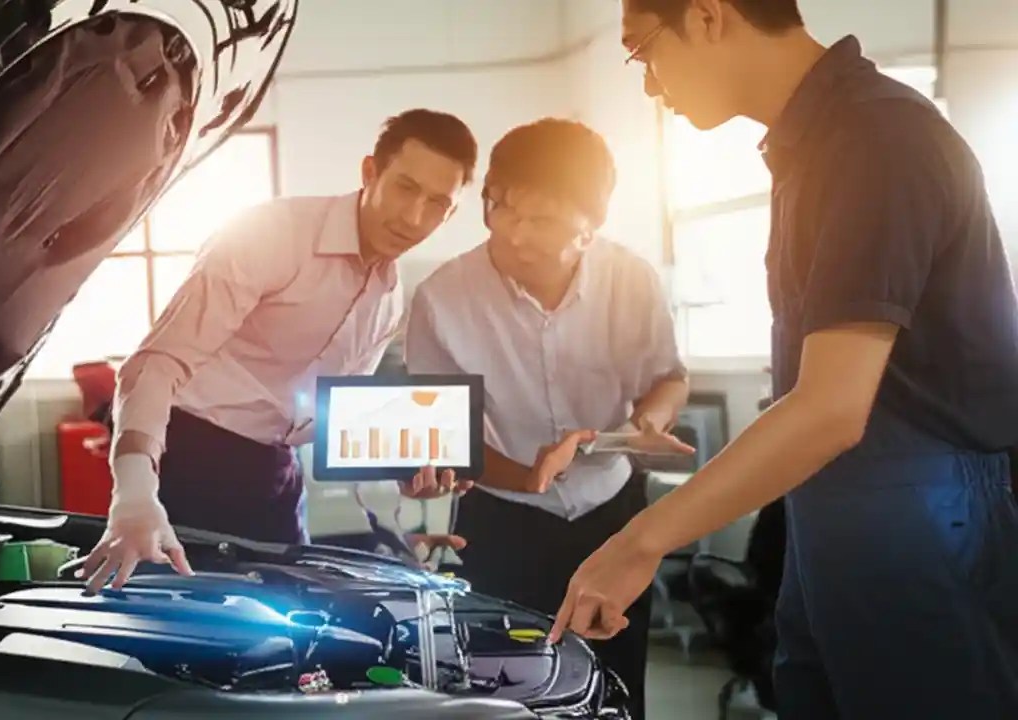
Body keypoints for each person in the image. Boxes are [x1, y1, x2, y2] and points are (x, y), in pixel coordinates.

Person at [550, 2, 1018, 718]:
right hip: (839, 511)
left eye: (643, 50)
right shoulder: (813, 146)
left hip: (922, 516)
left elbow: (831, 407)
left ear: (708, 15)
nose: (647, 82)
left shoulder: (878, 139)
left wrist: (641, 541)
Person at [80, 109, 477, 593]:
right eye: (404, 187)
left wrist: (402, 474)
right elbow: (155, 363)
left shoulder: (389, 298)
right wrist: (135, 489)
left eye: (437, 203)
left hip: (278, 480)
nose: (414, 217)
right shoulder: (273, 233)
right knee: (182, 638)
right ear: (370, 171)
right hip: (192, 459)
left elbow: (331, 417)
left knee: (287, 643)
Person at [402, 118, 693, 720]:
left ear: (591, 227)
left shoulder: (629, 280)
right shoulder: (442, 298)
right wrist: (523, 476)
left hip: (612, 516)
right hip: (502, 521)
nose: (514, 232)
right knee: (502, 695)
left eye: (543, 220)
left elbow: (670, 376)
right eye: (501, 206)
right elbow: (444, 439)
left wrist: (651, 419)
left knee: (613, 688)